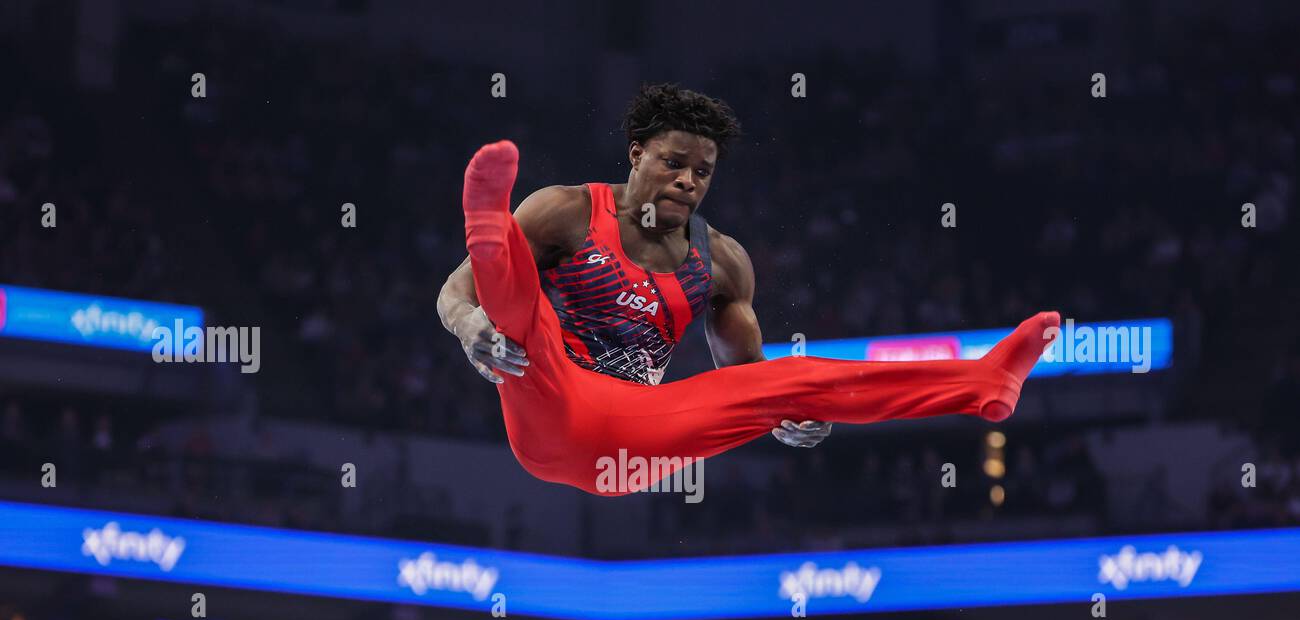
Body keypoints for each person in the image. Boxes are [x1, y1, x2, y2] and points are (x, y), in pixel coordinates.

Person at [439, 83, 1056, 496]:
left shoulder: (723, 262)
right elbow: (453, 293)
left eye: (702, 172)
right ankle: (488, 226)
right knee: (522, 320)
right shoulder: (567, 211)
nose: (688, 181)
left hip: (637, 441)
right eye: (673, 163)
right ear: (636, 154)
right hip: (550, 404)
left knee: (790, 376)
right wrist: (470, 326)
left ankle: (985, 381)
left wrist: (793, 413)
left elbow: (747, 383)